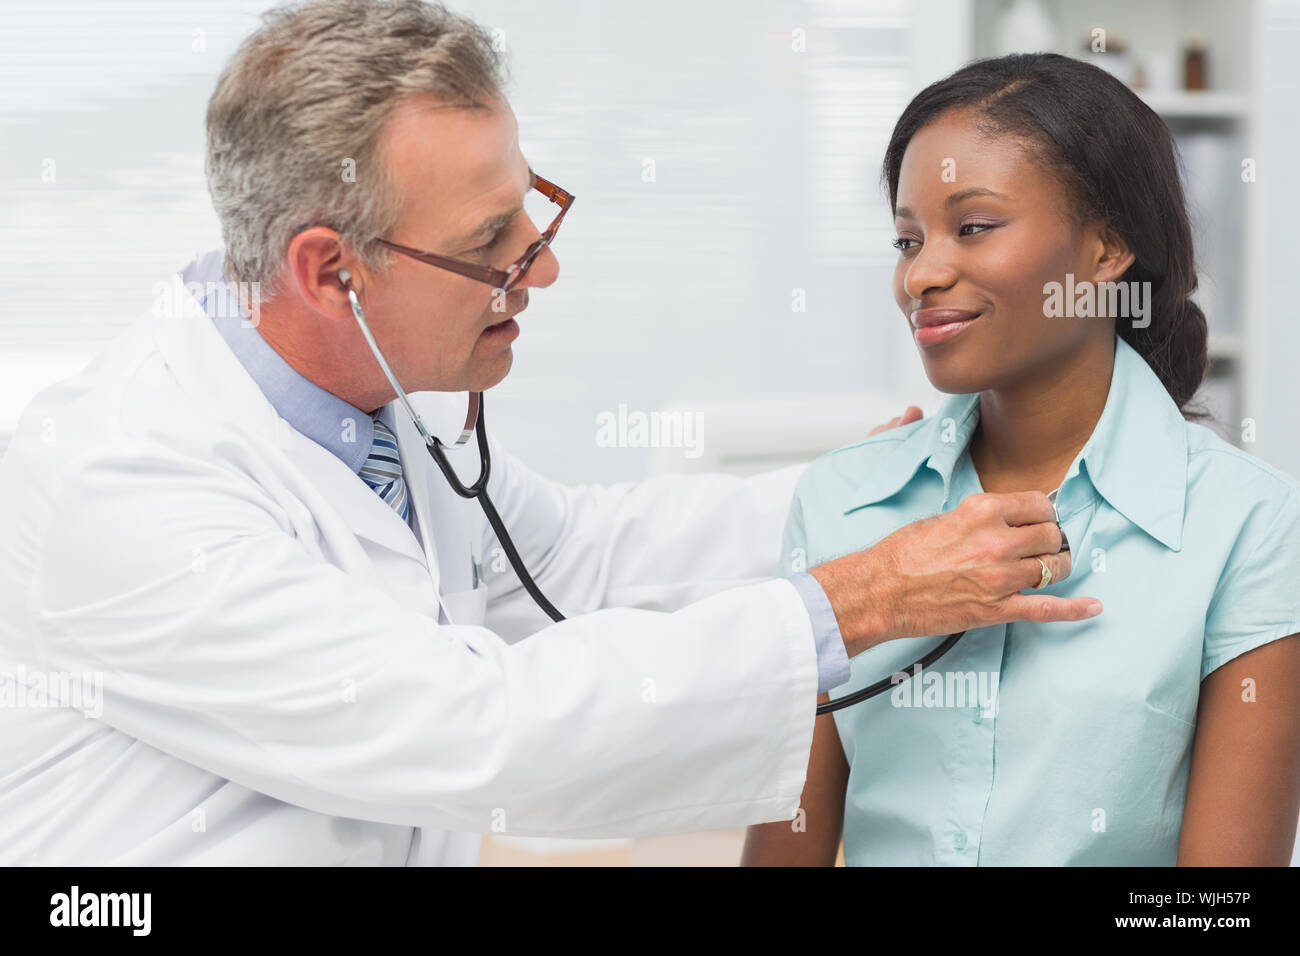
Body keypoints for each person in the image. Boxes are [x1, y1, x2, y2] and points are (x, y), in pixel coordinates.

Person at [0, 4, 1098, 866]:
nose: (544, 262)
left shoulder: (369, 410)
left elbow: (578, 556)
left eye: (532, 207)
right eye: (493, 238)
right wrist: (861, 598)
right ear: (331, 272)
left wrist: (865, 487)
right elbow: (478, 728)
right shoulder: (124, 486)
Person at [742, 52, 1300, 867]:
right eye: (908, 238)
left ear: (1107, 249)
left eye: (973, 227)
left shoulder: (1247, 525)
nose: (922, 274)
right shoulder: (842, 502)